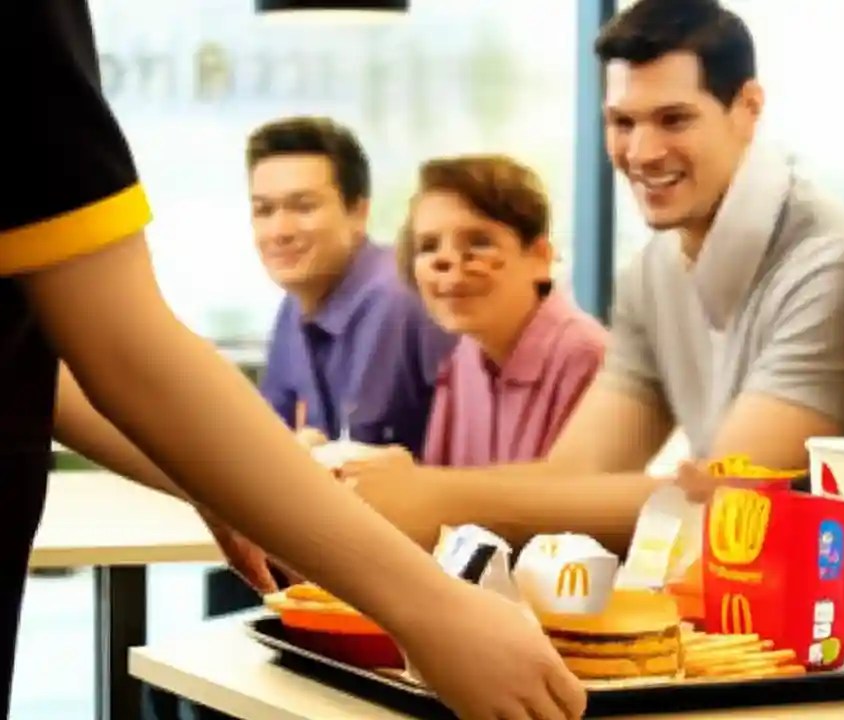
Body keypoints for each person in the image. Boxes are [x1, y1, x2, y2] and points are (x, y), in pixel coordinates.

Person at [3, 6, 584, 719]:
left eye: (301, 205)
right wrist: (432, 610)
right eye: (264, 209)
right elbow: (114, 349)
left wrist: (220, 480)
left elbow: (57, 354)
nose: (447, 270)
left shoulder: (392, 308)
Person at [341, 0, 844, 554]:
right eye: (622, 122)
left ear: (748, 107)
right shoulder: (652, 270)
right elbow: (576, 473)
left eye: (674, 119)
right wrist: (387, 483)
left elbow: (727, 500)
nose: (641, 153)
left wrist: (437, 497)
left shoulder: (828, 261)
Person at [249, 117, 455, 456]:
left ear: (358, 212)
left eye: (303, 207)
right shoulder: (294, 306)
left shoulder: (408, 297)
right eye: (264, 210)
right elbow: (273, 441)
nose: (279, 230)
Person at [393, 154, 607, 466]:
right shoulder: (463, 357)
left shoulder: (588, 358)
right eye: (428, 247)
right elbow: (440, 496)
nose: (450, 264)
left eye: (479, 242)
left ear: (539, 258)